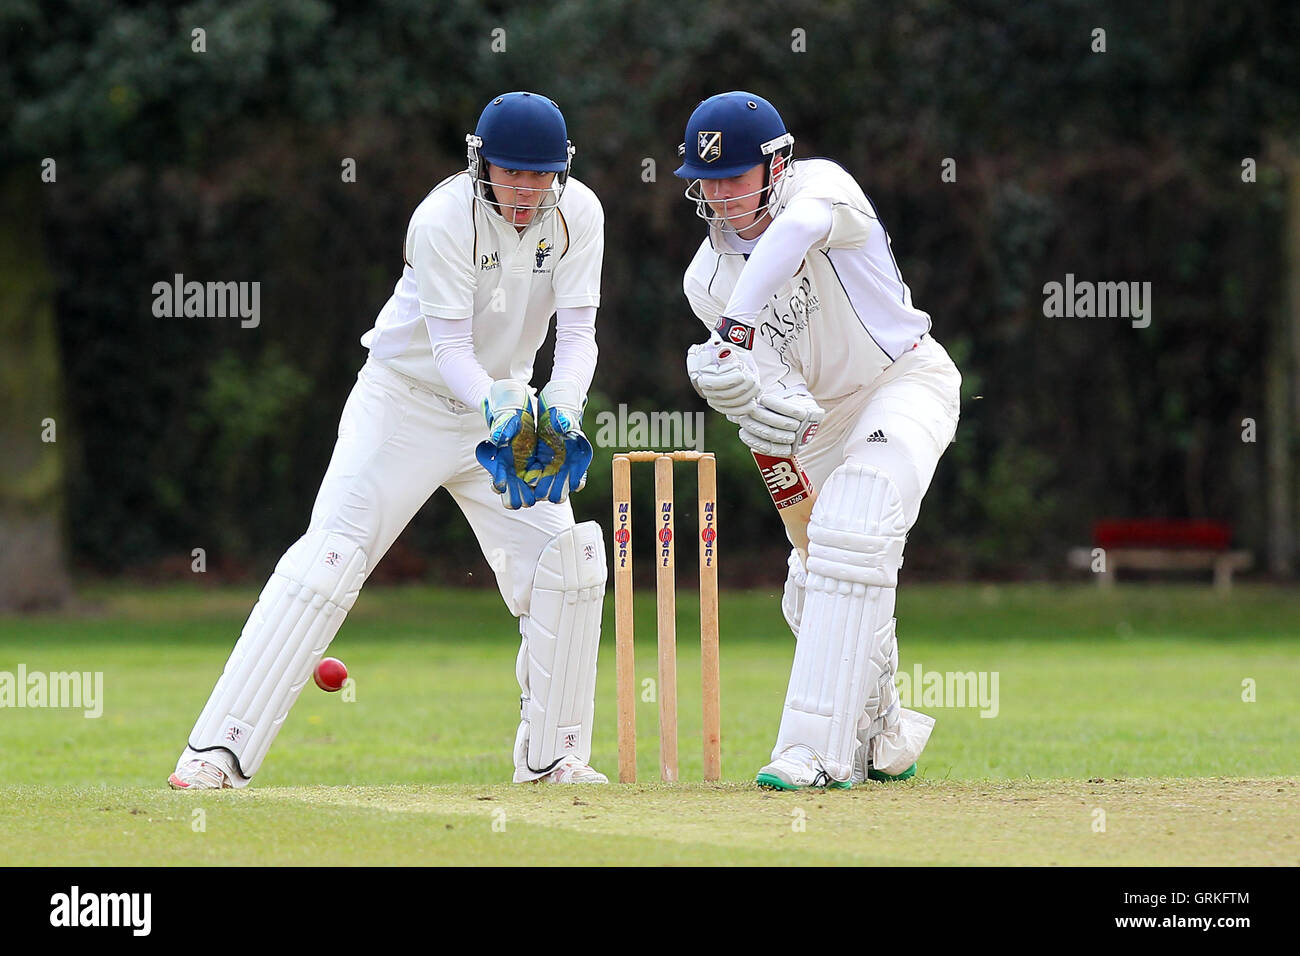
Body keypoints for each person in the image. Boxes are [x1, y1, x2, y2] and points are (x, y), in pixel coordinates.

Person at [169, 91, 609, 789]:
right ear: (481, 164)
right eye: (512, 172)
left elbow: (578, 334)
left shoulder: (579, 212)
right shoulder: (442, 218)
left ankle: (552, 758)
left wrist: (558, 408)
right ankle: (216, 753)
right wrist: (498, 401)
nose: (527, 189)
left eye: (541, 174)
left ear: (562, 170)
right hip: (404, 404)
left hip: (504, 413)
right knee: (330, 560)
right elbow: (451, 347)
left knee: (570, 564)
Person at [675, 91, 961, 790]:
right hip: (821, 423)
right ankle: (883, 725)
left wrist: (735, 329)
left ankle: (811, 754)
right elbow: (780, 399)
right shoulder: (705, 279)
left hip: (904, 380)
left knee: (858, 515)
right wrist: (748, 399)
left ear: (778, 164)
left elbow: (799, 228)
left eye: (735, 178)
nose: (719, 196)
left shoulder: (823, 188)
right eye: (706, 181)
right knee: (815, 582)